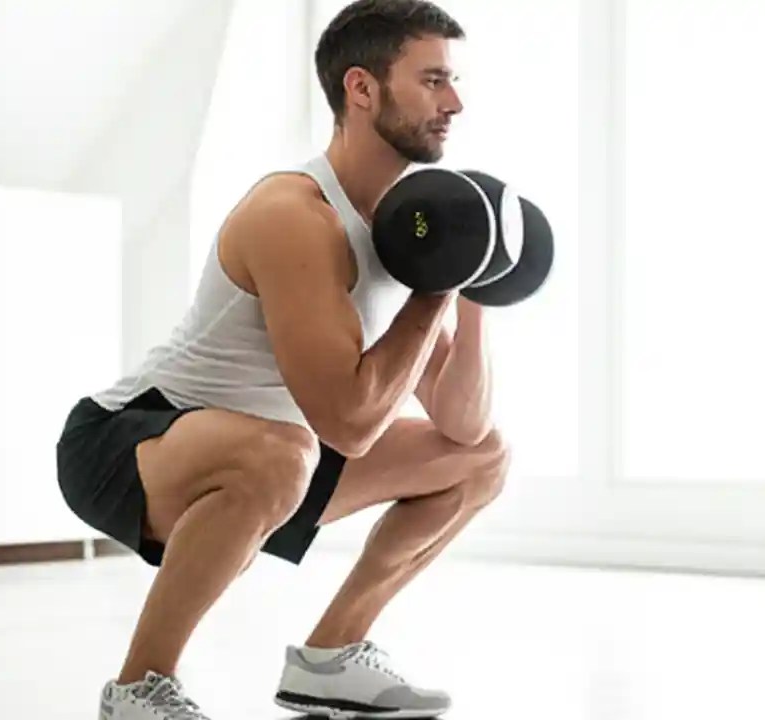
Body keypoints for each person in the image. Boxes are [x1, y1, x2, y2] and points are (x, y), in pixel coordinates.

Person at [55, 1, 508, 718]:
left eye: (452, 82)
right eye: (433, 80)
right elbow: (351, 426)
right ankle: (138, 688)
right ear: (362, 89)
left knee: (483, 457)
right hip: (131, 439)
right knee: (284, 452)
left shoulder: (401, 229)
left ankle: (332, 657)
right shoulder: (295, 215)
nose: (456, 102)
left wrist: (474, 286)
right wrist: (434, 290)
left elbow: (462, 423)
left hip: (278, 450)